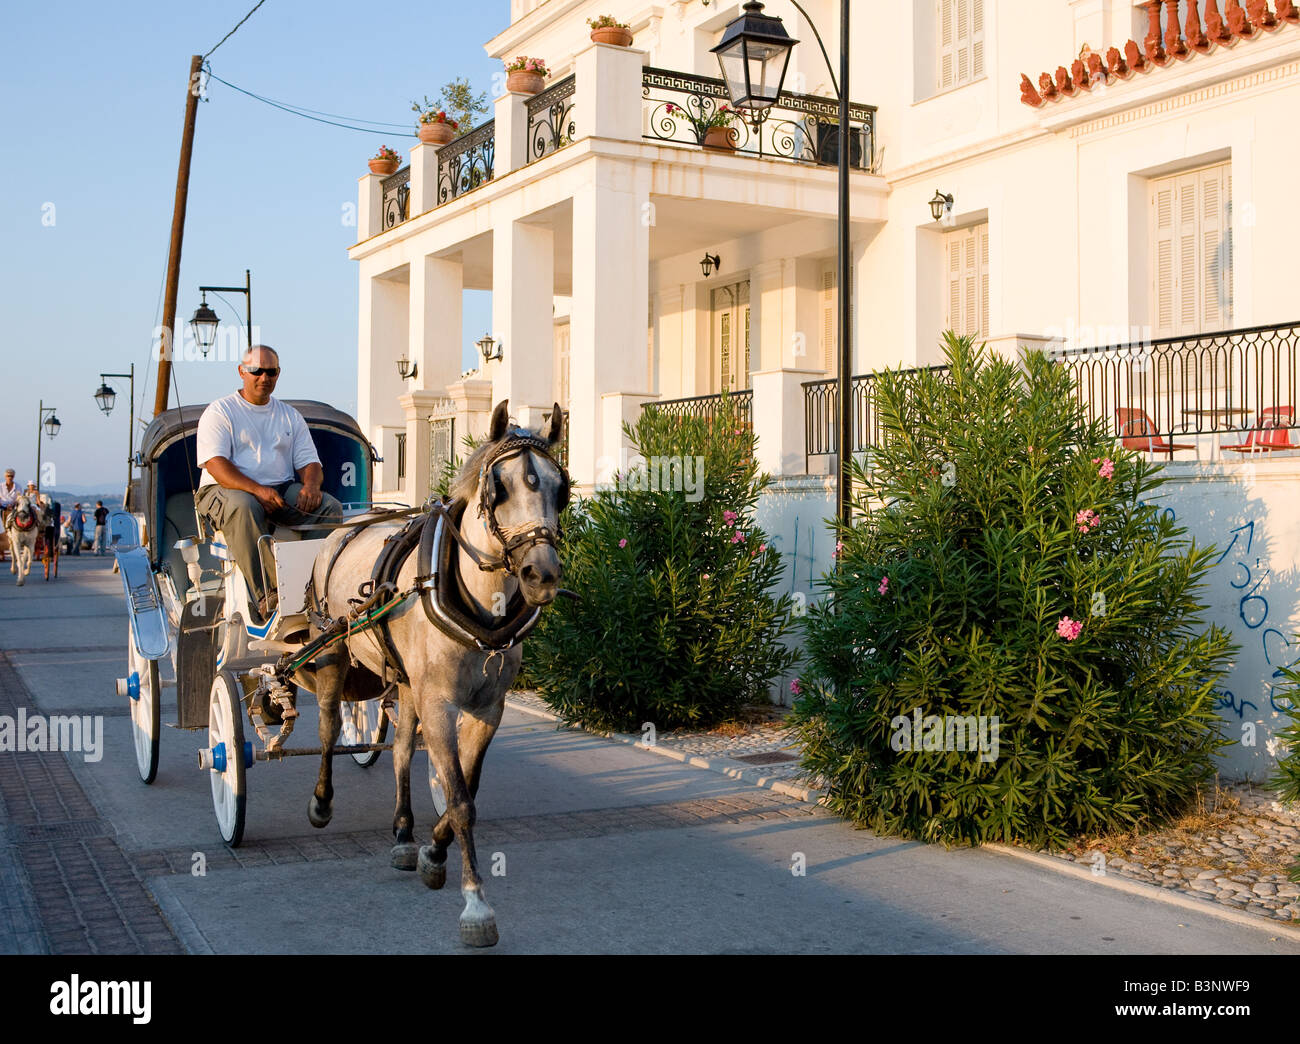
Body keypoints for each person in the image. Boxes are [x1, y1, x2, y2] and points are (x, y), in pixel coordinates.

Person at [194, 344, 342, 621]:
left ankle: (316, 585)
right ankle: (267, 594)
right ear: (242, 371)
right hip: (223, 489)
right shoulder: (221, 411)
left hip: (278, 489)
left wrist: (311, 486)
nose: (264, 377)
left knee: (328, 506)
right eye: (256, 371)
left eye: (271, 371)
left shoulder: (289, 415)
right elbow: (217, 465)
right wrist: (257, 490)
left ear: (278, 374)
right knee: (244, 505)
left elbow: (310, 463)